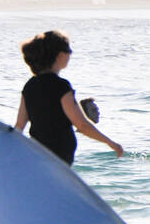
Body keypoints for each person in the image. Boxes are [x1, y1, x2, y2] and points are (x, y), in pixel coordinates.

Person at [14, 30, 123, 165]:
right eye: (68, 50)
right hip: (59, 155)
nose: (70, 54)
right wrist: (110, 142)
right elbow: (81, 125)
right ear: (60, 55)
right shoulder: (61, 86)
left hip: (38, 155)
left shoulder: (29, 85)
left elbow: (19, 126)